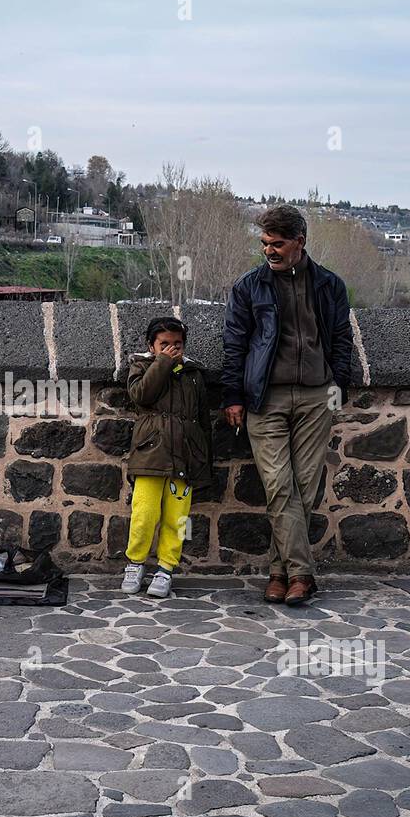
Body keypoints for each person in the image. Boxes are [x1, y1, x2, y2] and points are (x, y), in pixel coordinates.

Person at [221, 204, 352, 605]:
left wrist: (339, 387)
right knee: (279, 486)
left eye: (277, 244)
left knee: (305, 489)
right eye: (264, 244)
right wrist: (232, 396)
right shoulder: (248, 287)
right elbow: (235, 344)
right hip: (266, 397)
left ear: (300, 241)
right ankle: (302, 574)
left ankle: (279, 573)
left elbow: (342, 340)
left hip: (316, 397)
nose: (269, 251)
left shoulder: (330, 285)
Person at [122, 316, 214, 598]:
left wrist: (203, 461)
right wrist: (162, 363)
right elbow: (141, 395)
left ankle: (165, 567)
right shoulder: (142, 366)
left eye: (177, 344)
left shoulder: (193, 374)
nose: (172, 349)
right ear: (152, 345)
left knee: (177, 518)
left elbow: (202, 420)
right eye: (165, 344)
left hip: (185, 457)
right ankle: (135, 562)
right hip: (151, 454)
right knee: (144, 513)